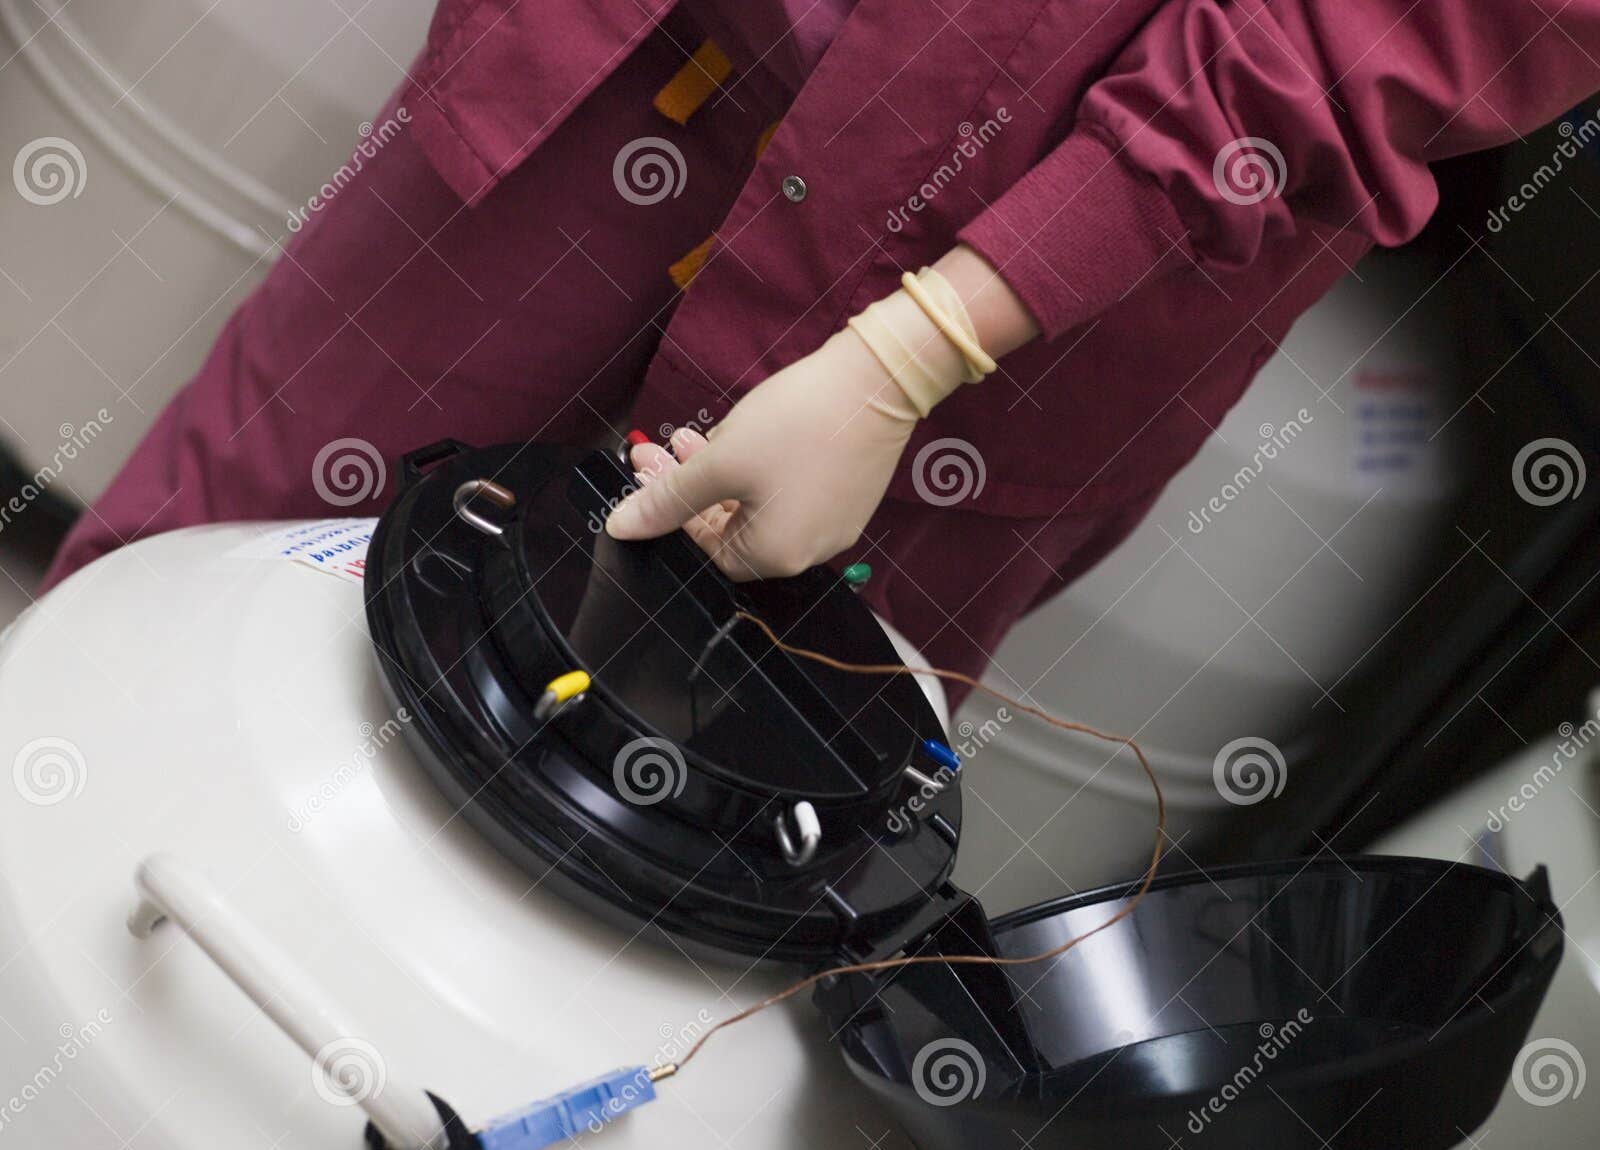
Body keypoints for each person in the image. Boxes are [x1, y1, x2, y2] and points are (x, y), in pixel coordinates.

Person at [44, 0, 1600, 694]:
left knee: (673, 833)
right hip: (637, 59)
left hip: (1034, 272)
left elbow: (1367, 29)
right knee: (203, 577)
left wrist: (912, 352)